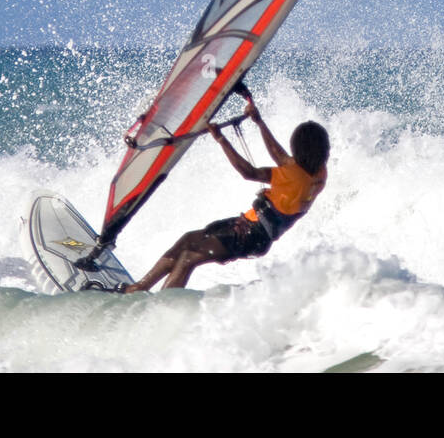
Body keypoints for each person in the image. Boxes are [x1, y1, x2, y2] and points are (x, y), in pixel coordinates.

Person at [121, 96, 329, 292]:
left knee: (188, 257)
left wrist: (221, 139)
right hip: (250, 230)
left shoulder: (294, 177)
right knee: (187, 240)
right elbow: (280, 156)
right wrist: (259, 122)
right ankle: (138, 289)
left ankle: (159, 308)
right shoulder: (318, 174)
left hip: (248, 235)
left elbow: (249, 172)